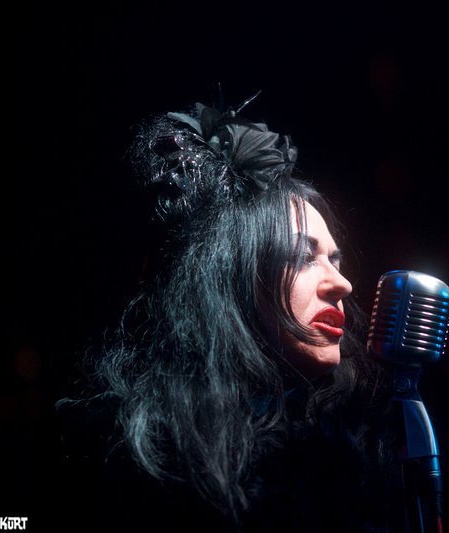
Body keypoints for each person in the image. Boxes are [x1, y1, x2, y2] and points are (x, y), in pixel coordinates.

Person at [53, 95, 404, 532]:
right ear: (230, 277)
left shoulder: (354, 452)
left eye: (335, 260)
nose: (343, 284)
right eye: (302, 256)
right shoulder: (120, 454)